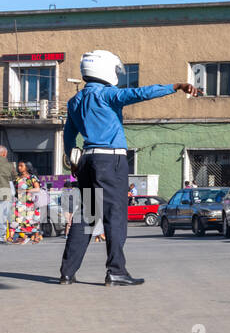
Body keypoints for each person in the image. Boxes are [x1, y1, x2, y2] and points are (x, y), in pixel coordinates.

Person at [57, 50, 200, 286]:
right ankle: (116, 271)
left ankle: (67, 273)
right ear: (105, 70)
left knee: (86, 216)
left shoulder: (76, 100)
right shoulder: (107, 95)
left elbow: (69, 135)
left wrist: (72, 159)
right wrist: (175, 86)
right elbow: (139, 93)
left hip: (86, 161)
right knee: (115, 216)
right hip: (110, 161)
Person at [5, 161, 44, 244]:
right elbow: (14, 189)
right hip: (19, 203)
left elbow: (37, 189)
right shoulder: (17, 178)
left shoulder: (32, 178)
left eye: (21, 166)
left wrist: (26, 190)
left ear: (27, 167)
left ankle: (36, 236)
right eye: (18, 166)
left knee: (33, 220)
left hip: (31, 203)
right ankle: (11, 237)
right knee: (15, 219)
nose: (19, 167)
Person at [0, 145, 15, 241]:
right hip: (5, 191)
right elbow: (14, 177)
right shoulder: (9, 165)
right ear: (4, 154)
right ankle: (1, 236)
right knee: (3, 215)